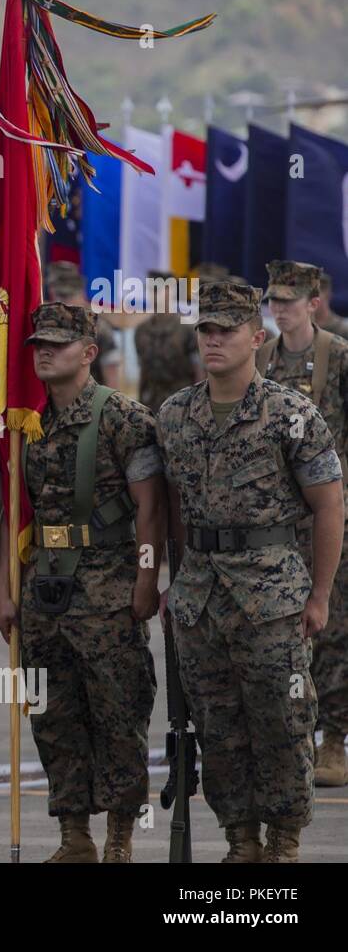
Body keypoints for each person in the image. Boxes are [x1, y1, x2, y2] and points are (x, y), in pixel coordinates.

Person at [159, 281, 344, 862]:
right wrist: (171, 581)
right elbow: (171, 511)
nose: (213, 340)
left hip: (272, 598)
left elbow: (328, 506)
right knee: (217, 726)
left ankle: (283, 842)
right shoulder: (174, 415)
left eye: (226, 331)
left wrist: (319, 597)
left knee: (283, 723)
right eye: (205, 331)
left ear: (257, 338)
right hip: (201, 598)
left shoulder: (290, 414)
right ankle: (240, 841)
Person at [0, 302, 165, 862]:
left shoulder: (124, 418)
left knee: (118, 716)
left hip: (108, 591)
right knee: (53, 716)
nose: (44, 352)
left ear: (89, 353)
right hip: (46, 590)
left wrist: (146, 577)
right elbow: (13, 515)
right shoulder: (25, 421)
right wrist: (6, 588)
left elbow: (149, 509)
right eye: (38, 345)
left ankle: (119, 837)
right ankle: (74, 836)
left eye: (58, 344)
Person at [255, 260, 348, 787]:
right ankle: (294, 736)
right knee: (284, 630)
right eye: (274, 300)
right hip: (278, 521)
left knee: (332, 624)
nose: (280, 309)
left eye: (290, 301)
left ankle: (334, 737)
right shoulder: (263, 357)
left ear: (313, 302)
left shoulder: (336, 357)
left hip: (331, 515)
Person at [134, 269, 202, 413]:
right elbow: (143, 372)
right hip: (152, 405)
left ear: (171, 291)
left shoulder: (187, 329)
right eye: (151, 290)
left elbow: (199, 373)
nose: (154, 295)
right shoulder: (141, 331)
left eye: (159, 290)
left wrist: (198, 407)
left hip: (183, 405)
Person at [48, 261, 121, 390]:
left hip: (91, 405)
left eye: (69, 296)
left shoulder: (99, 328)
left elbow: (112, 379)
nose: (64, 303)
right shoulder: (47, 325)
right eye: (60, 296)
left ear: (82, 294)